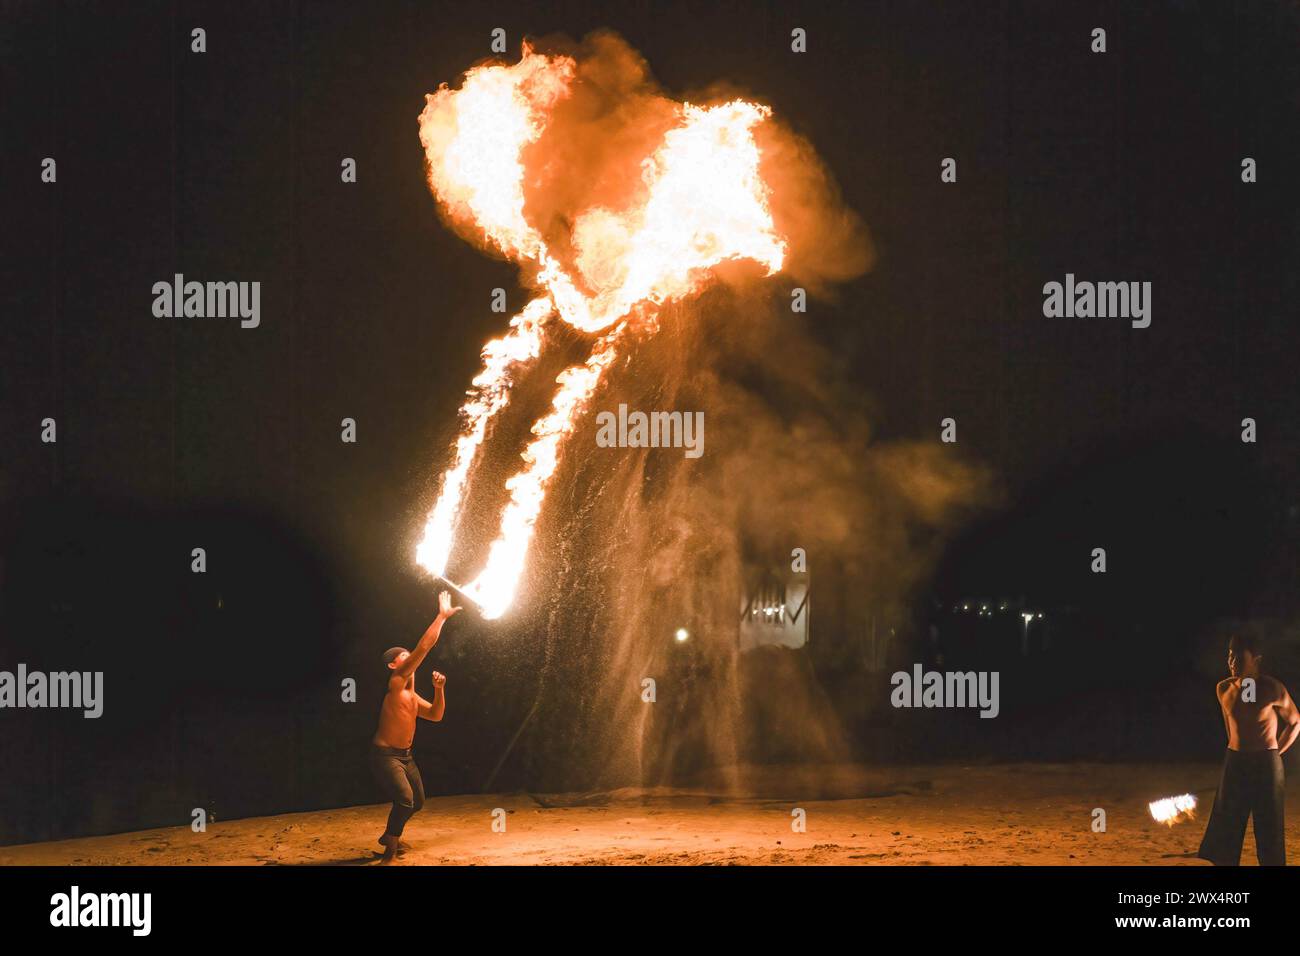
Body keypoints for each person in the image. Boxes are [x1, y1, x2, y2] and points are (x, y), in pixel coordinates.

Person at [370, 590, 461, 864]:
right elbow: (424, 647)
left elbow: (435, 715)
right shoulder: (396, 683)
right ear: (393, 665)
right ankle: (390, 851)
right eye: (404, 656)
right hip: (386, 756)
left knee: (417, 802)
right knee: (405, 799)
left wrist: (439, 689)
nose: (411, 659)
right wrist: (441, 617)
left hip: (406, 757)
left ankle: (389, 836)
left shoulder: (411, 697)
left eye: (409, 657)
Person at [1197, 633, 1300, 866]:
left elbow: (1295, 722)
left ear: (1256, 659)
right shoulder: (1223, 689)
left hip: (1266, 764)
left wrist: (1275, 752)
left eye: (1239, 657)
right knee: (1228, 823)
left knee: (1269, 825)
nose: (1232, 662)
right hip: (1235, 762)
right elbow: (1230, 728)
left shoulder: (1272, 688)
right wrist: (1236, 754)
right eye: (1230, 656)